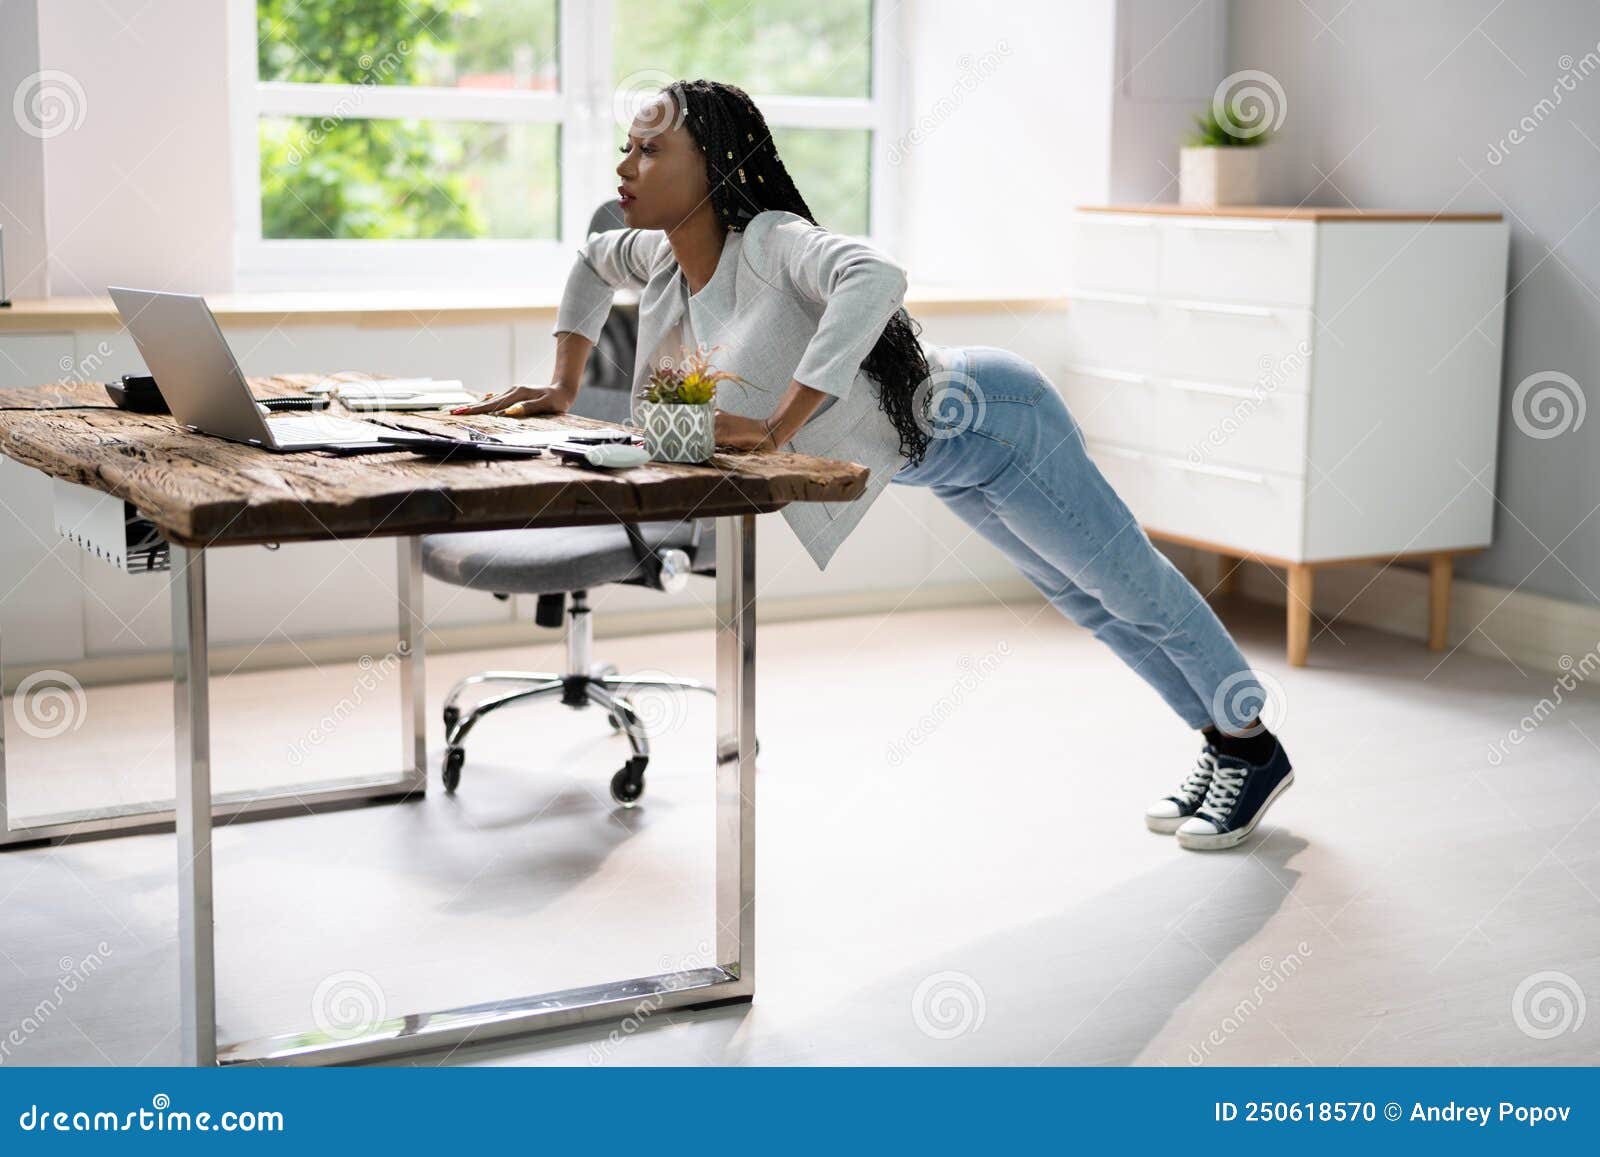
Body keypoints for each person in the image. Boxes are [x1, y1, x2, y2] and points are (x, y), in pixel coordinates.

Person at [453, 78, 1293, 851]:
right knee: (1091, 600)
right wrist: (566, 385)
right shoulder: (665, 255)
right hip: (949, 458)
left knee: (1127, 583)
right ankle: (1224, 741)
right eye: (627, 148)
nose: (624, 165)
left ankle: (1253, 744)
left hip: (997, 420)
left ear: (713, 168)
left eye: (649, 150)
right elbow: (593, 256)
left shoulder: (772, 240)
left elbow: (876, 275)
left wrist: (783, 424)